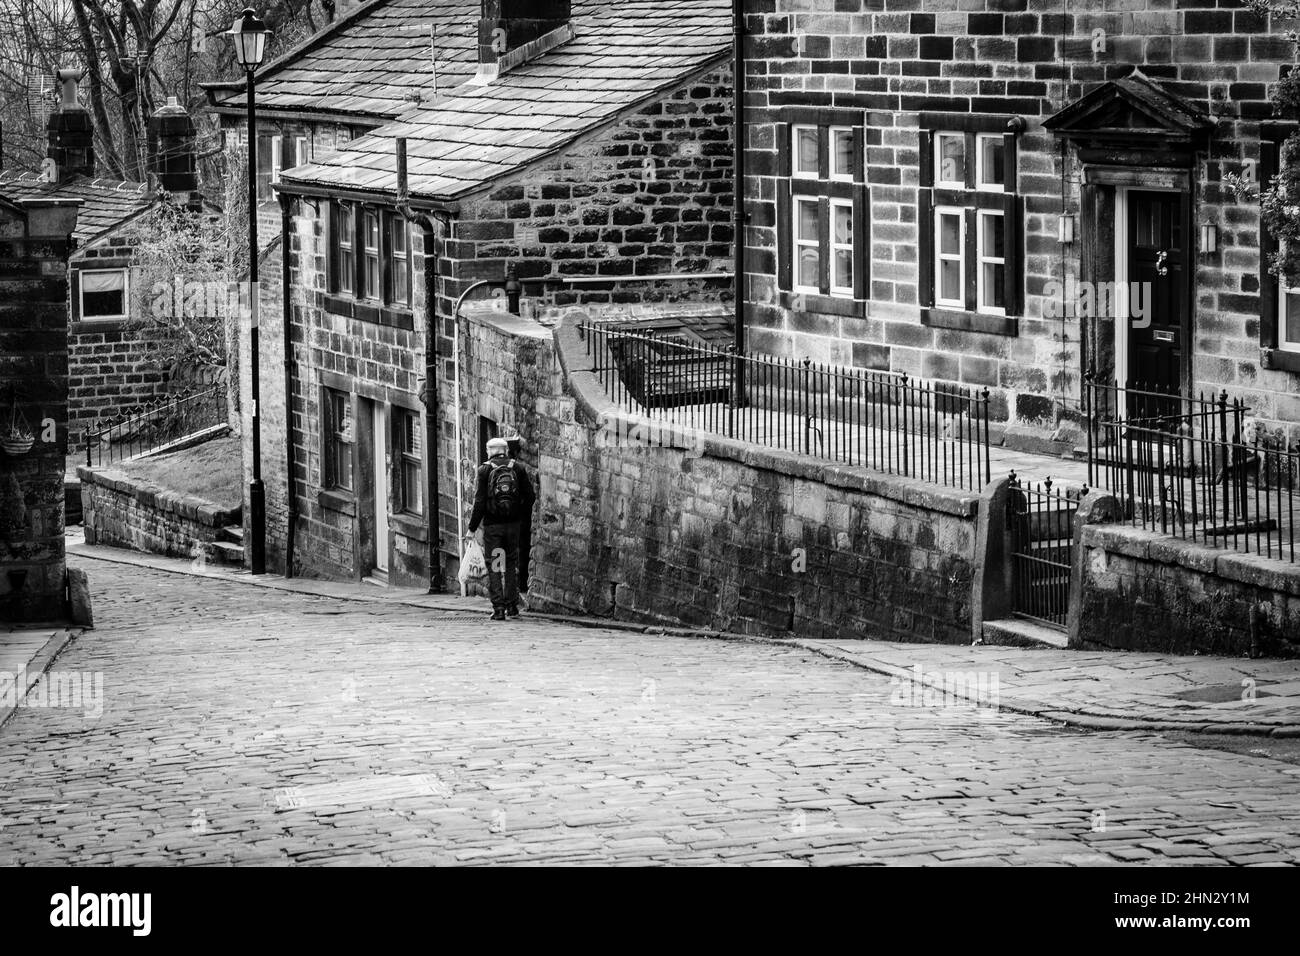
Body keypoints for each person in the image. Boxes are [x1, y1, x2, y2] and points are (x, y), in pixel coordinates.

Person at [467, 436, 536, 620]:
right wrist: (518, 514)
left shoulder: (485, 470)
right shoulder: (518, 468)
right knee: (511, 563)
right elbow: (530, 496)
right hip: (513, 527)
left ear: (490, 451)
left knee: (497, 565)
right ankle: (513, 606)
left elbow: (480, 502)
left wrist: (472, 527)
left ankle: (499, 608)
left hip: (494, 528)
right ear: (505, 450)